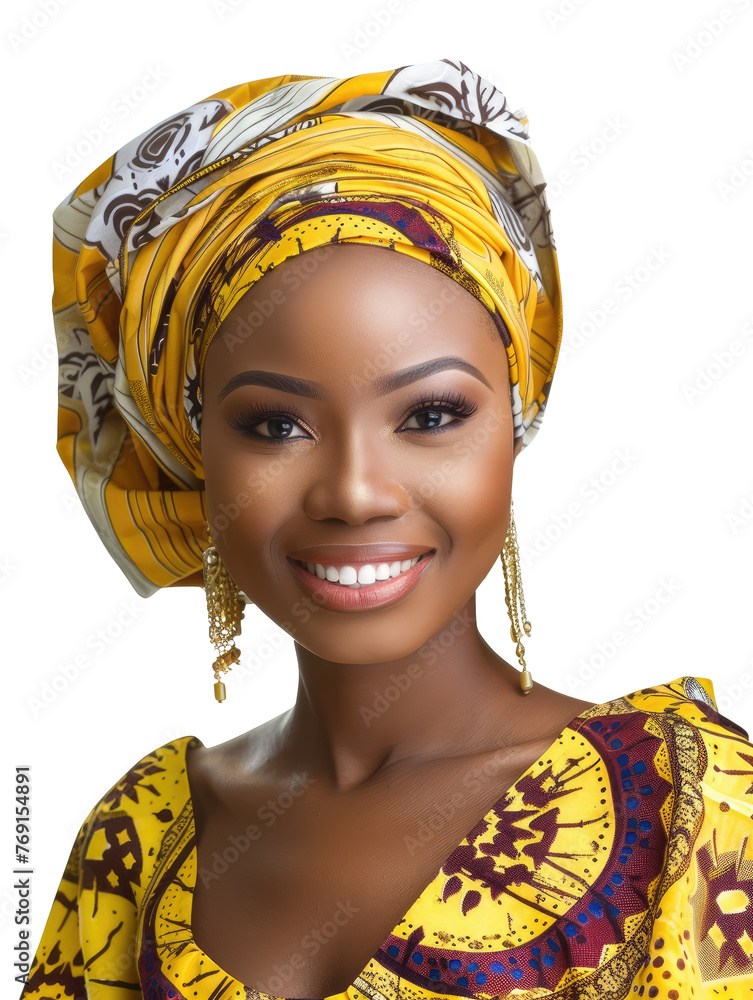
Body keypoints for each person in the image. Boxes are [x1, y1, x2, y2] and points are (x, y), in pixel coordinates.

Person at [19, 58, 753, 1000]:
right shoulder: (142, 837)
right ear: (191, 450)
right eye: (274, 425)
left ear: (515, 424)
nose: (355, 492)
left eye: (431, 415)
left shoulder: (694, 815)